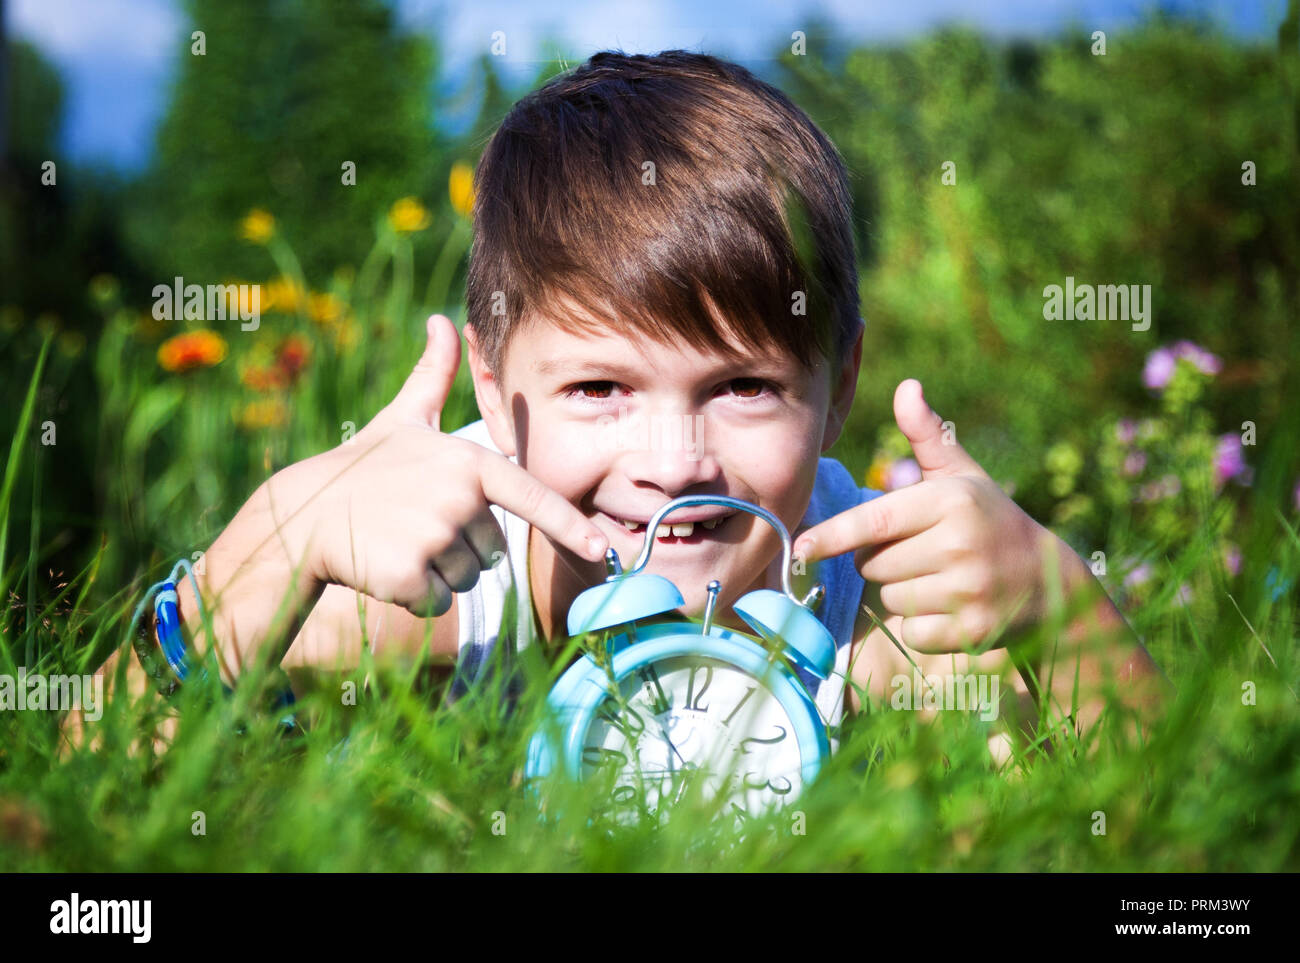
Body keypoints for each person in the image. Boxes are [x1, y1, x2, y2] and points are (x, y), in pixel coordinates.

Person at [63, 50, 1169, 762]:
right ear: (495, 396)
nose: (674, 459)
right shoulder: (433, 594)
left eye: (744, 386)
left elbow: (1177, 856)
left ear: (838, 392)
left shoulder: (875, 622)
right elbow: (75, 776)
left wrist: (1060, 610)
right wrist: (277, 540)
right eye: (598, 389)